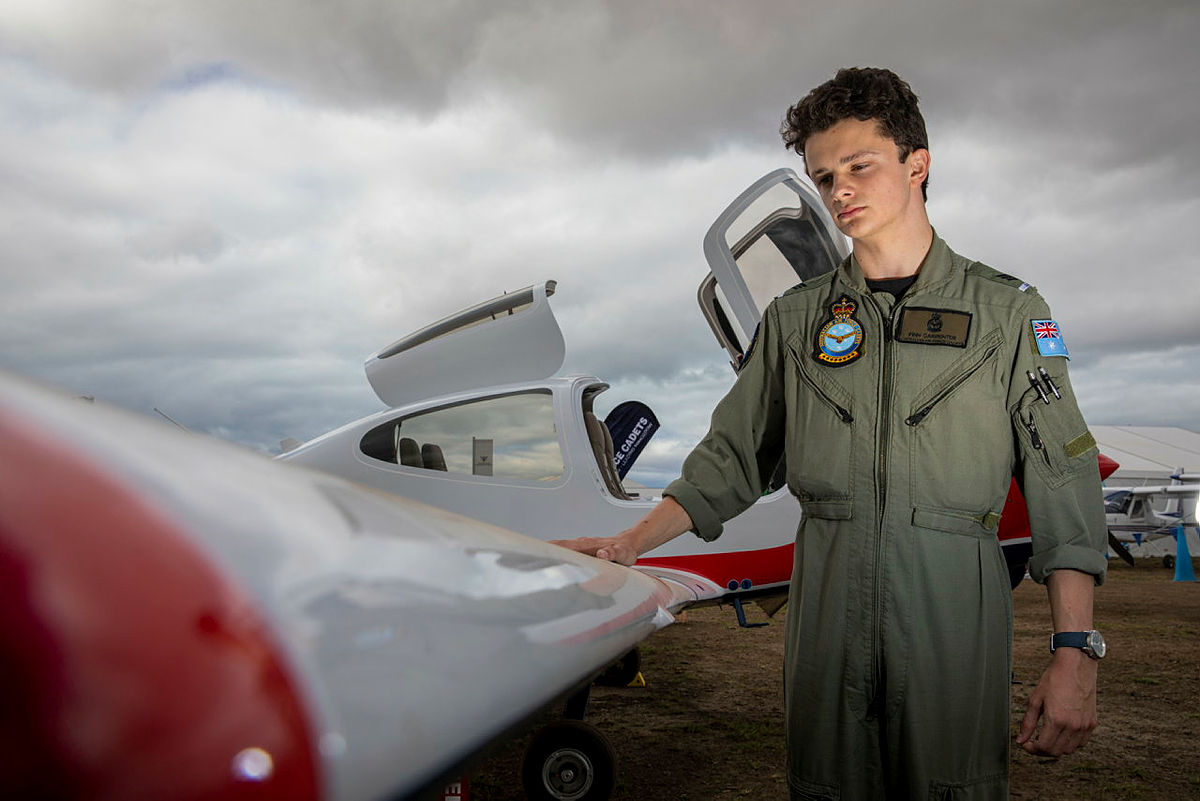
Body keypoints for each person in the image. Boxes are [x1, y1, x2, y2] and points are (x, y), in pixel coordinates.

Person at [553, 67, 1107, 800]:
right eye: (822, 175)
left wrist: (1076, 650)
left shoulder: (1007, 312)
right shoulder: (795, 319)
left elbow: (1062, 480)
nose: (839, 188)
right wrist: (631, 542)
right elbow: (732, 456)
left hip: (953, 610)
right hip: (827, 614)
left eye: (859, 165)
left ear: (918, 163)